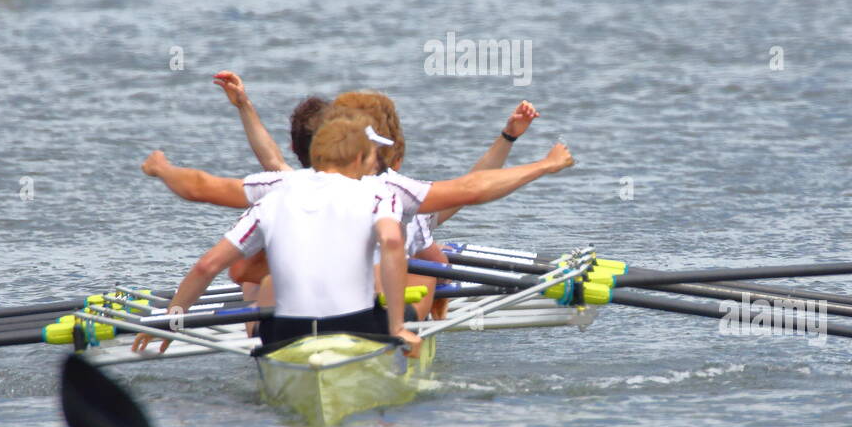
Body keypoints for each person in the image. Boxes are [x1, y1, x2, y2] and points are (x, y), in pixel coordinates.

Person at [143, 77, 566, 319]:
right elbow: (472, 188)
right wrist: (541, 163)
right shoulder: (394, 194)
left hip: (300, 320)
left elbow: (209, 201)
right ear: (368, 155)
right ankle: (402, 334)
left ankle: (263, 331)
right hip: (368, 313)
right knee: (430, 267)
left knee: (263, 278)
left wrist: (162, 168)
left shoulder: (284, 190)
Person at [133, 115, 422, 353]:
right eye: (372, 158)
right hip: (357, 327)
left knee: (264, 311)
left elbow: (207, 265)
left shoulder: (272, 197)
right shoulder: (378, 194)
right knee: (408, 315)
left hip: (286, 333)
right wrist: (397, 327)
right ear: (360, 158)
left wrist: (174, 319)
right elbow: (393, 240)